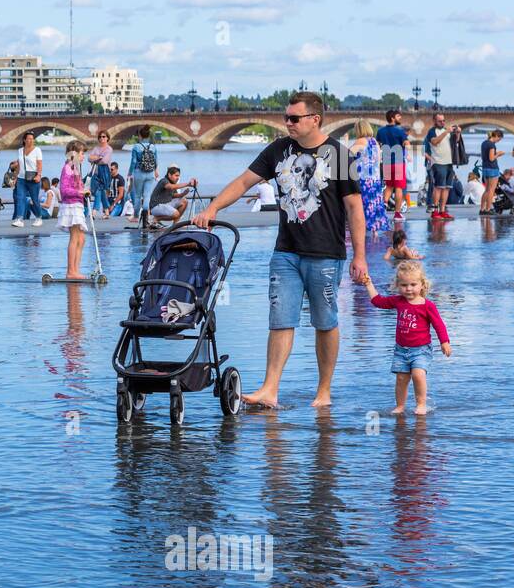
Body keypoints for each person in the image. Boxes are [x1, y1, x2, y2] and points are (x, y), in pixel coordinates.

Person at [193, 91, 367, 410]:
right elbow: (244, 181)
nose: (287, 123)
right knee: (280, 319)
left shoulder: (340, 156)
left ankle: (323, 391)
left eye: (294, 118)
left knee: (325, 321)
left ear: (314, 119)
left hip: (326, 254)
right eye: (286, 117)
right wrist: (213, 208)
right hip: (286, 252)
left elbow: (355, 209)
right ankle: (270, 389)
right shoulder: (279, 149)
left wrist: (359, 256)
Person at [363, 261, 451, 416]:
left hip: (421, 350)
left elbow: (439, 325)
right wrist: (369, 284)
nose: (408, 288)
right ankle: (400, 406)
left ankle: (421, 404)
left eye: (413, 284)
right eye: (404, 285)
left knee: (418, 374)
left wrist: (444, 342)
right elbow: (378, 302)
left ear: (422, 284)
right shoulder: (398, 301)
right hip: (401, 351)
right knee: (401, 379)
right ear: (398, 285)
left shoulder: (427, 305)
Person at [57, 141, 89, 279]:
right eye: (82, 154)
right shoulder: (67, 169)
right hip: (71, 206)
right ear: (74, 154)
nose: (83, 157)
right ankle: (71, 271)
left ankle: (76, 269)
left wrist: (84, 191)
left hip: (77, 205)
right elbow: (64, 190)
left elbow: (76, 188)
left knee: (81, 239)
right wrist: (80, 192)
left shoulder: (75, 169)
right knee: (75, 237)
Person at [351, 120, 389, 234]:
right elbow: (378, 162)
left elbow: (346, 154)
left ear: (359, 130)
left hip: (363, 180)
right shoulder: (374, 142)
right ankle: (374, 232)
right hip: (375, 180)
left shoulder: (360, 141)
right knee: (374, 206)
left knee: (361, 207)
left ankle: (361, 232)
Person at [127, 126, 160, 229]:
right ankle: (146, 217)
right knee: (147, 196)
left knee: (137, 196)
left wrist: (129, 173)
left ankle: (136, 216)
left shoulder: (136, 147)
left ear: (140, 135)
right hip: (150, 173)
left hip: (139, 172)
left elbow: (133, 161)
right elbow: (156, 160)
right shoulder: (153, 147)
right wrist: (156, 171)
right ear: (148, 135)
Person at [424, 113, 455, 220]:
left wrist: (458, 133)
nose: (443, 123)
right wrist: (446, 132)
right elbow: (435, 142)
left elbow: (456, 142)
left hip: (449, 162)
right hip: (438, 162)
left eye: (444, 121)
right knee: (438, 188)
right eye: (440, 121)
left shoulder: (446, 131)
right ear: (434, 121)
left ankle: (442, 211)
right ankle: (435, 211)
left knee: (446, 188)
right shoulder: (432, 131)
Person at [13, 131, 44, 227]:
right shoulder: (20, 150)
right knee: (20, 198)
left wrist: (39, 175)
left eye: (32, 139)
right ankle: (19, 219)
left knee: (34, 199)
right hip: (21, 178)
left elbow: (39, 164)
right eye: (29, 139)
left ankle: (39, 217)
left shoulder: (37, 150)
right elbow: (19, 165)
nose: (31, 140)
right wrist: (15, 177)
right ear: (24, 140)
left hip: (33, 178)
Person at [86, 130, 113, 218]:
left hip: (105, 173)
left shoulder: (109, 149)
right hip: (95, 172)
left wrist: (95, 158)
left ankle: (93, 212)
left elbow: (105, 161)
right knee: (100, 192)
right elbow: (89, 158)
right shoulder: (96, 148)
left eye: (104, 136)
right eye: (100, 137)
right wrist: (99, 157)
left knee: (99, 191)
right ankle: (107, 212)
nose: (102, 138)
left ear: (107, 138)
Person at [478, 129, 504, 216]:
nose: (498, 141)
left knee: (486, 190)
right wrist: (498, 154)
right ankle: (488, 209)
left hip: (485, 168)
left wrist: (495, 154)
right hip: (493, 169)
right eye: (499, 139)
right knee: (491, 191)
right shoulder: (492, 145)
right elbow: (492, 158)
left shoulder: (484, 143)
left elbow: (485, 156)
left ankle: (482, 209)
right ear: (496, 136)